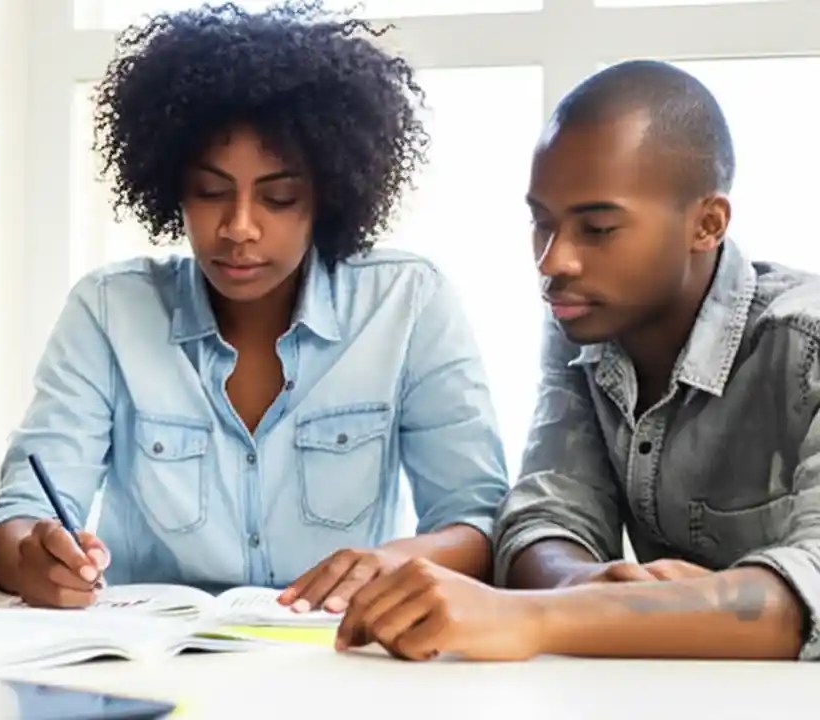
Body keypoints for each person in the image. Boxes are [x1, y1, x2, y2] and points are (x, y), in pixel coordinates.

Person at [0, 1, 508, 611]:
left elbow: (479, 519)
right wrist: (34, 558)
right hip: (157, 662)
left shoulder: (407, 305)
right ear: (172, 184)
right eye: (210, 193)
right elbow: (19, 516)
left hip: (337, 663)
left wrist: (391, 564)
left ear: (330, 194)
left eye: (279, 198)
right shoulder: (109, 311)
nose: (239, 227)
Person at [336, 60, 819, 662]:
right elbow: (546, 513)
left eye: (597, 228)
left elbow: (809, 592)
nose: (552, 260)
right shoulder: (586, 324)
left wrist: (539, 617)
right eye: (542, 222)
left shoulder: (805, 345)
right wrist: (578, 585)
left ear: (707, 224)